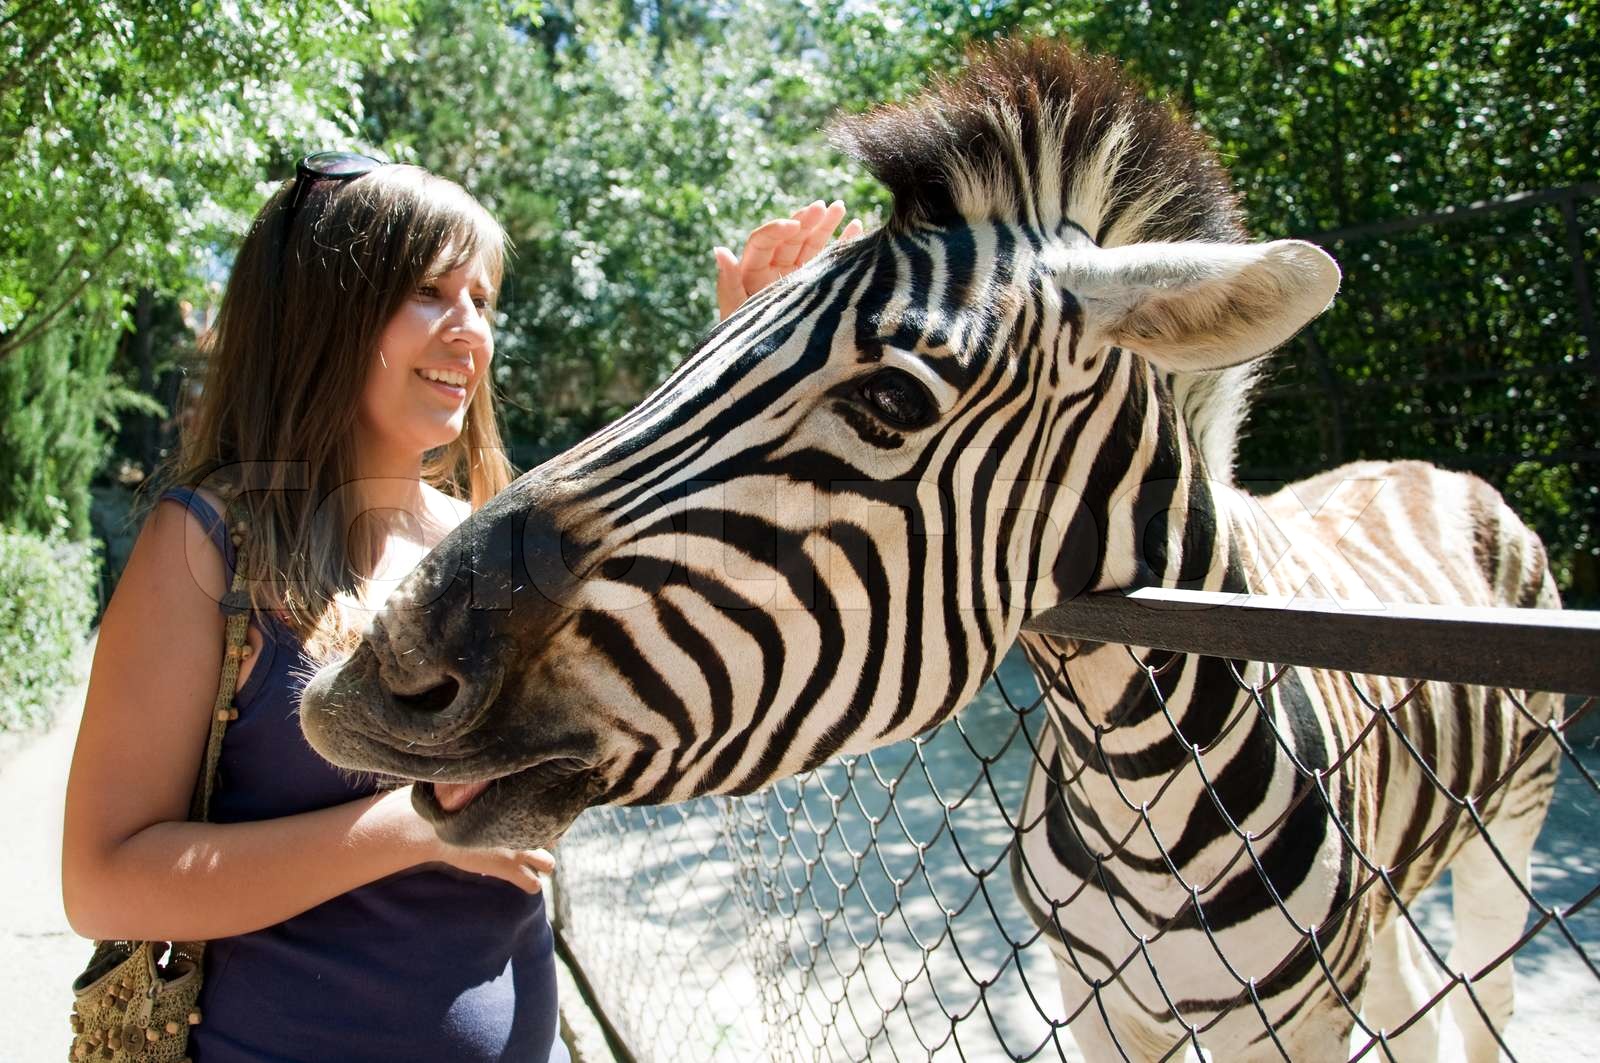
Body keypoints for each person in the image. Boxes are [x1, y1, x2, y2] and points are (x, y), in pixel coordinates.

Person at [60, 150, 860, 1062]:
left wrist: (753, 357)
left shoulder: (483, 536)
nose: (471, 331)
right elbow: (103, 880)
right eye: (433, 294)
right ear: (323, 311)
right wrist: (419, 829)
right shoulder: (206, 544)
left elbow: (703, 569)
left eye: (483, 301)